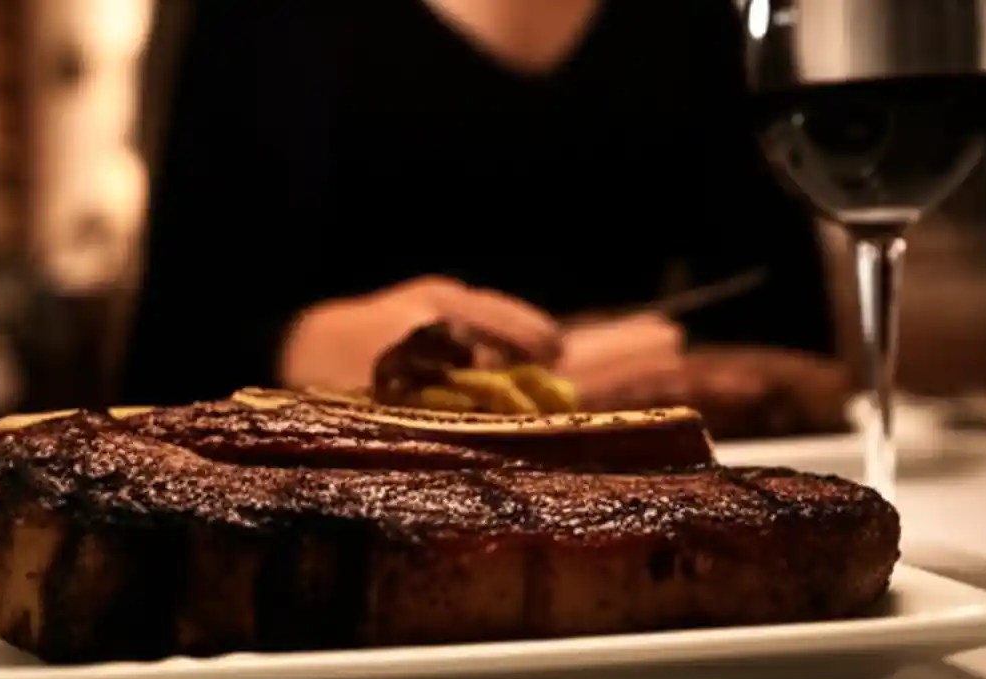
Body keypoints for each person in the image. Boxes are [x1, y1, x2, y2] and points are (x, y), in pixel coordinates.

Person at [120, 0, 836, 407]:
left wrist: (659, 371)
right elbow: (164, 369)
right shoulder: (259, 20)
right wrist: (308, 346)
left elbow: (802, 347)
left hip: (639, 488)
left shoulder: (692, 18)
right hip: (342, 514)